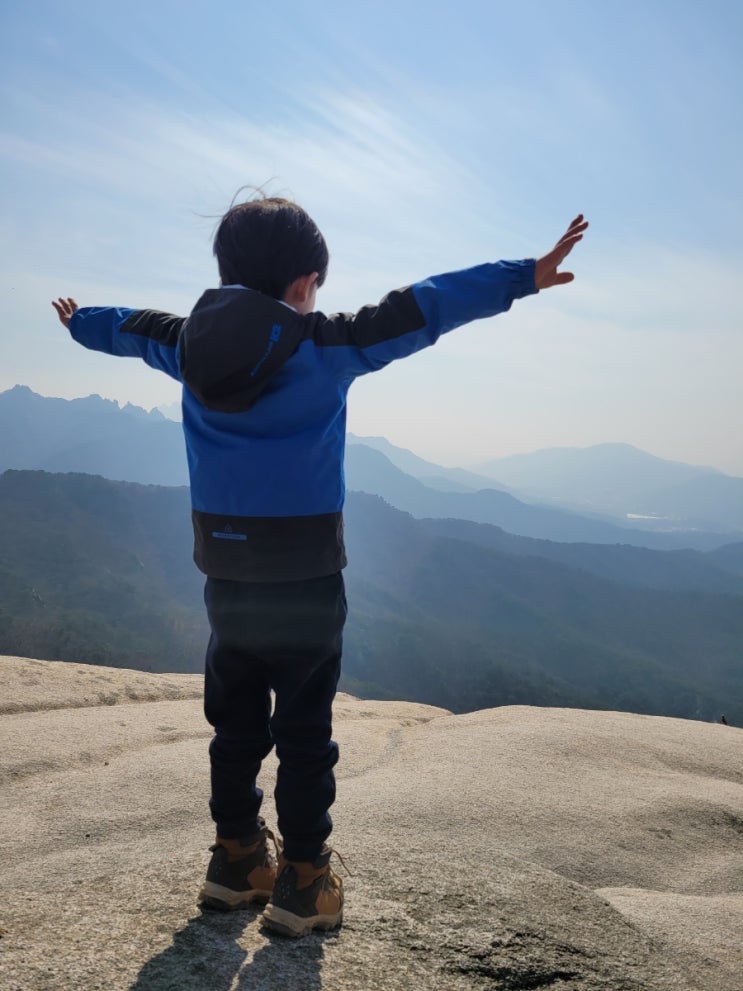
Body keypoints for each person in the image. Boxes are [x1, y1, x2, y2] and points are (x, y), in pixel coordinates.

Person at [52, 194, 587, 937]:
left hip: (224, 570)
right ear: (305, 282)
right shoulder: (325, 341)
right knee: (304, 727)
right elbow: (422, 306)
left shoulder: (186, 344)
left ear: (226, 269)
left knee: (234, 719)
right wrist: (520, 275)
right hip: (304, 572)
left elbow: (126, 327)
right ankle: (304, 881)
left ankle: (236, 859)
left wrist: (79, 320)